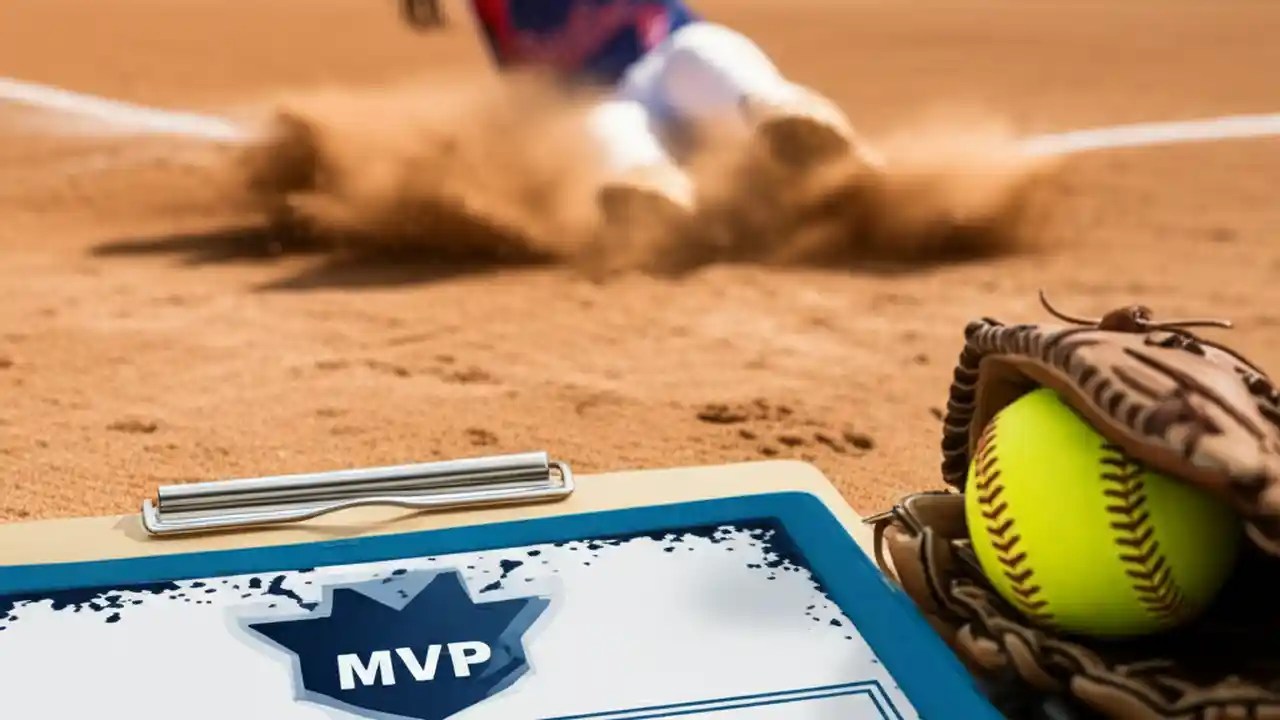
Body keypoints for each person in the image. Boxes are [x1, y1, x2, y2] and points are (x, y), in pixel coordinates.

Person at [401, 0, 881, 251]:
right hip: (613, 110)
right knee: (606, 124)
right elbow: (534, 85)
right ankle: (655, 206)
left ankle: (805, 133)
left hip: (682, 84)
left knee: (704, 51)